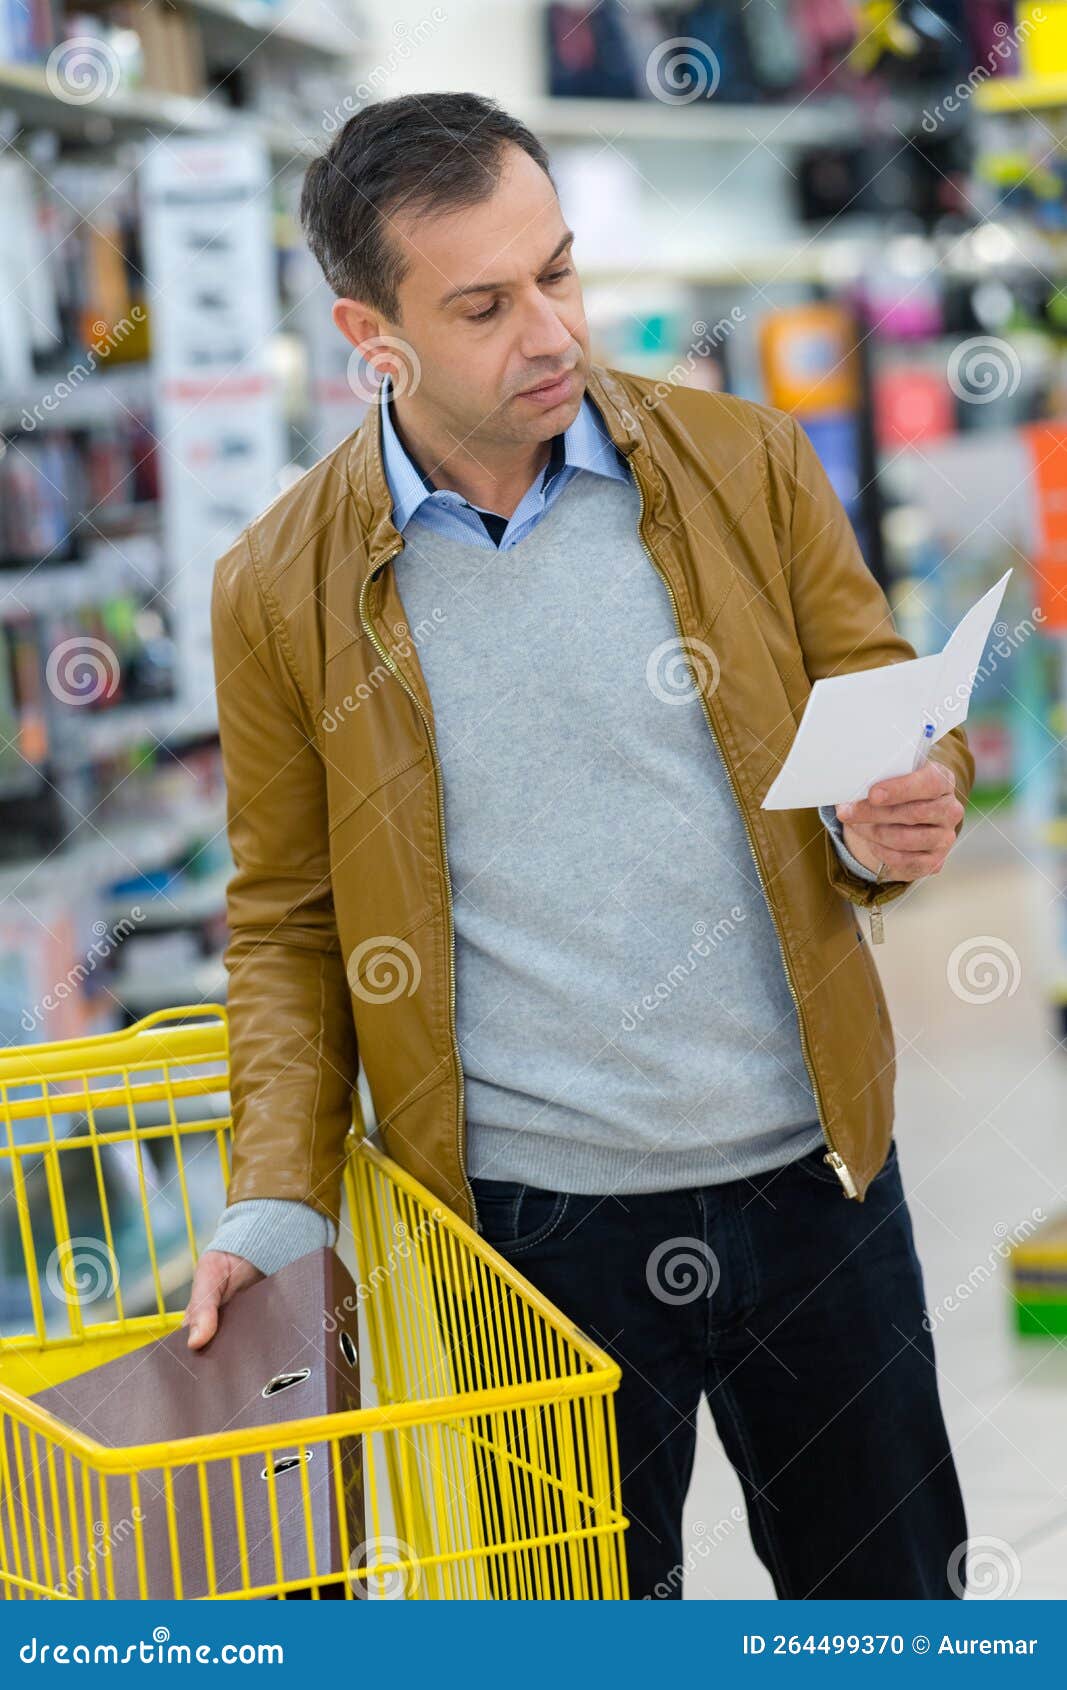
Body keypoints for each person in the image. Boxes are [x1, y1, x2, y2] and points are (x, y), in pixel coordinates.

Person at [182, 91, 974, 1600]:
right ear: (374, 333)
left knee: (895, 1617)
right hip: (526, 1248)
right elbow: (283, 916)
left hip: (818, 1178)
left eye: (560, 272)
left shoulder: (746, 465)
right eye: (484, 304)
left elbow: (883, 710)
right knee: (580, 1638)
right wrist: (274, 1194)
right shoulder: (276, 585)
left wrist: (905, 802)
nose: (550, 331)